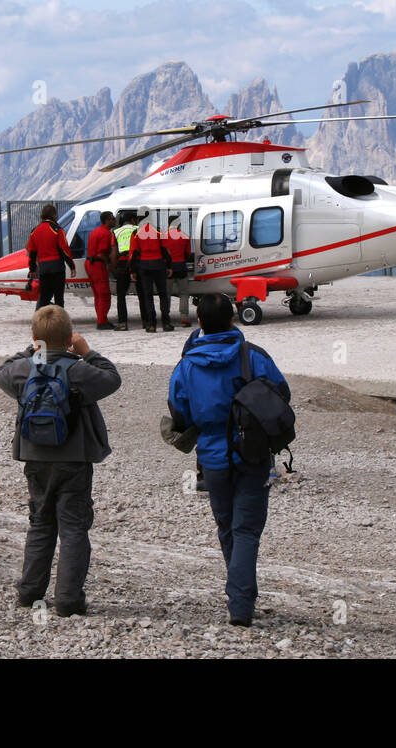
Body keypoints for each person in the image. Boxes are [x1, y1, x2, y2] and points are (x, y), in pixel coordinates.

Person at [167, 293, 289, 626]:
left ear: (200, 323)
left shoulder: (188, 364)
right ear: (233, 319)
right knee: (247, 529)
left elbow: (179, 411)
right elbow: (282, 394)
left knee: (227, 527)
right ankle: (241, 602)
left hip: (212, 458)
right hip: (253, 455)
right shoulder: (253, 357)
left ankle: (239, 597)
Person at [0, 306, 120, 617]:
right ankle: (68, 599)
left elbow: (1, 373)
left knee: (40, 523)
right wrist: (86, 352)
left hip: (35, 457)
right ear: (68, 339)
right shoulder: (77, 369)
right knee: (74, 527)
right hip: (74, 458)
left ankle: (29, 592)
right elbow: (112, 379)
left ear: (35, 338)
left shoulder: (25, 367)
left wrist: (31, 349)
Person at [26, 205, 74, 310]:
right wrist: (72, 266)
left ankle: (39, 319)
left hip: (43, 268)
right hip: (57, 267)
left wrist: (32, 269)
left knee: (44, 296)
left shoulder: (34, 231)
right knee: (58, 297)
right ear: (54, 215)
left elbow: (32, 252)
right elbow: (64, 250)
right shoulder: (57, 229)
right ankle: (58, 321)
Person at [131, 214, 173, 333]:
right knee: (163, 294)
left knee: (148, 296)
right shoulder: (159, 231)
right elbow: (165, 250)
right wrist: (169, 266)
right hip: (159, 264)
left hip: (144, 265)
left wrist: (133, 270)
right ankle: (166, 323)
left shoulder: (136, 233)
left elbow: (134, 253)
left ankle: (151, 324)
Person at [85, 212, 117, 330]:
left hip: (90, 264)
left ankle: (101, 318)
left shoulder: (95, 231)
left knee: (97, 294)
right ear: (107, 220)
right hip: (98, 265)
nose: (114, 221)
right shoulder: (105, 234)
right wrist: (110, 263)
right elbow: (101, 253)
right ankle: (102, 321)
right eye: (113, 219)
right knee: (104, 294)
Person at [163, 216, 194, 327]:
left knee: (166, 294)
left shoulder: (163, 236)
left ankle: (166, 317)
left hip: (167, 268)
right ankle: (184, 318)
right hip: (181, 267)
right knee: (184, 293)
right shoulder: (184, 236)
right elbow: (188, 253)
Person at [111, 211, 138, 331]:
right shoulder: (138, 229)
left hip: (122, 263)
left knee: (121, 295)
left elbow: (114, 253)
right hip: (136, 262)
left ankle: (123, 323)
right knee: (143, 293)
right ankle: (147, 321)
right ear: (133, 220)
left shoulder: (116, 232)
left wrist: (113, 267)